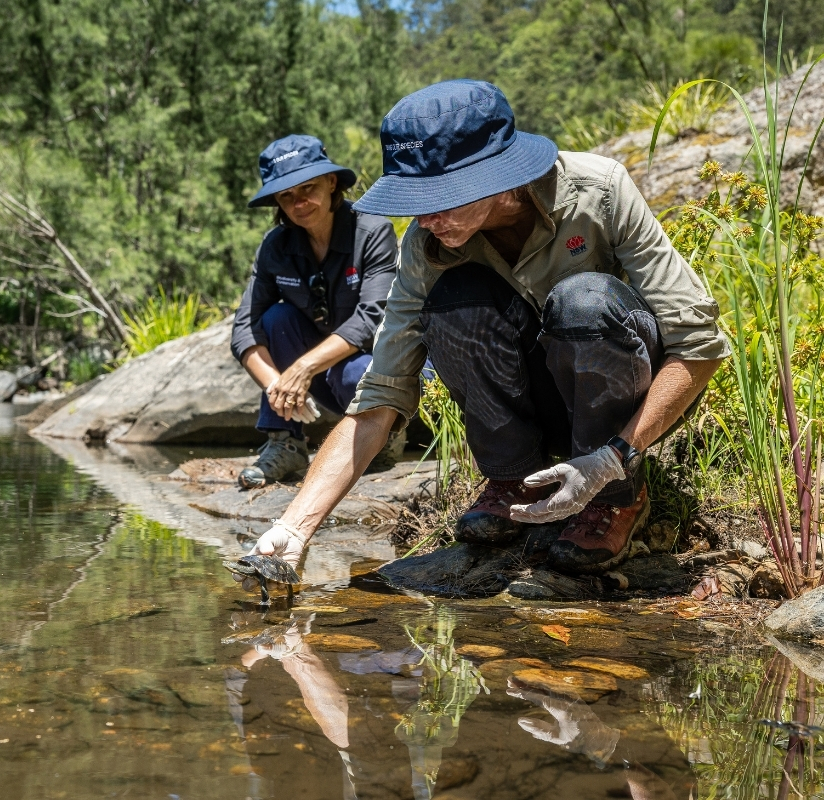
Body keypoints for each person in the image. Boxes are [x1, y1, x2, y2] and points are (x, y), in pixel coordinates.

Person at [240, 80, 728, 576]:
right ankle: (514, 478)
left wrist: (612, 457)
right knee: (455, 300)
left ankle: (617, 496)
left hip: (621, 396)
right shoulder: (426, 243)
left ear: (498, 176)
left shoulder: (599, 190)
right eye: (414, 200)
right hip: (534, 397)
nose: (426, 219)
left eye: (441, 199)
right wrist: (294, 527)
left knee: (585, 299)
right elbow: (381, 392)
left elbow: (699, 345)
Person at [231, 134, 401, 489]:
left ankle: (381, 437)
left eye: (307, 188)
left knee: (351, 373)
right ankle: (286, 443)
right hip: (320, 374)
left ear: (331, 182)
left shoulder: (372, 230)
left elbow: (371, 319)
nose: (299, 202)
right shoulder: (275, 246)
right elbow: (245, 328)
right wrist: (277, 386)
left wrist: (303, 367)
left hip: (376, 367)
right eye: (286, 196)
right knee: (275, 319)